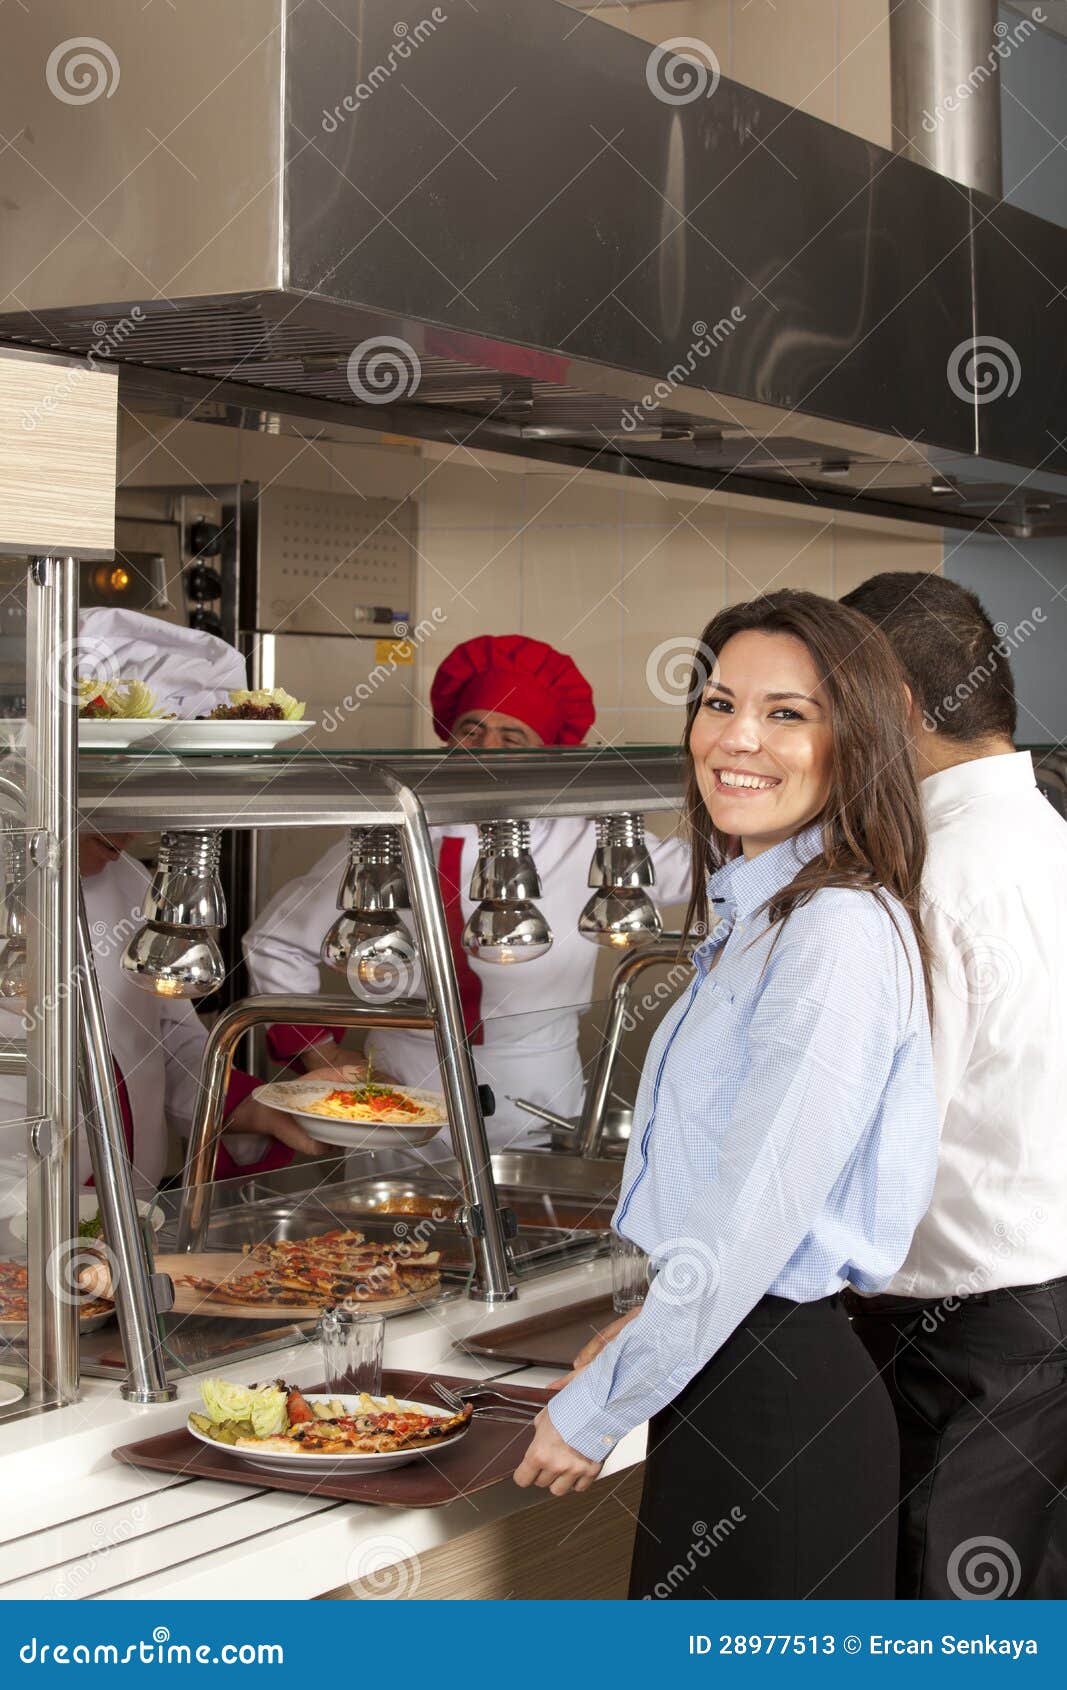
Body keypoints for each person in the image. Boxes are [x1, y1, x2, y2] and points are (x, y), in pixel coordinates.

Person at [513, 590, 939, 1601]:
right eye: (716, 702)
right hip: (731, 1379)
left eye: (787, 713)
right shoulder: (764, 914)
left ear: (855, 740)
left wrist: (598, 1406)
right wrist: (652, 1323)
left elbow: (753, 1216)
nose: (736, 739)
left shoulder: (831, 930)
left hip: (776, 1407)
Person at [839, 571, 1067, 1600]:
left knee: (944, 1623)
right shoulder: (1048, 835)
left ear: (888, 703)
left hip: (966, 1329)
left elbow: (879, 1143)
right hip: (1038, 1303)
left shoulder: (929, 874)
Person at [244, 634, 692, 1152]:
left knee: (540, 1227)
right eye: (471, 732)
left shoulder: (591, 840)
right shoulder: (390, 837)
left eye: (513, 738)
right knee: (382, 1228)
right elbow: (274, 941)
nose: (486, 753)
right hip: (400, 1089)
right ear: (446, 740)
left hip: (541, 1092)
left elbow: (717, 870)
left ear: (549, 753)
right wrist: (321, 1057)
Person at [0, 612, 323, 1225]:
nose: (131, 830)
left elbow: (167, 1037)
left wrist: (250, 1106)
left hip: (127, 1215)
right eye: (108, 798)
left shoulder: (134, 881)